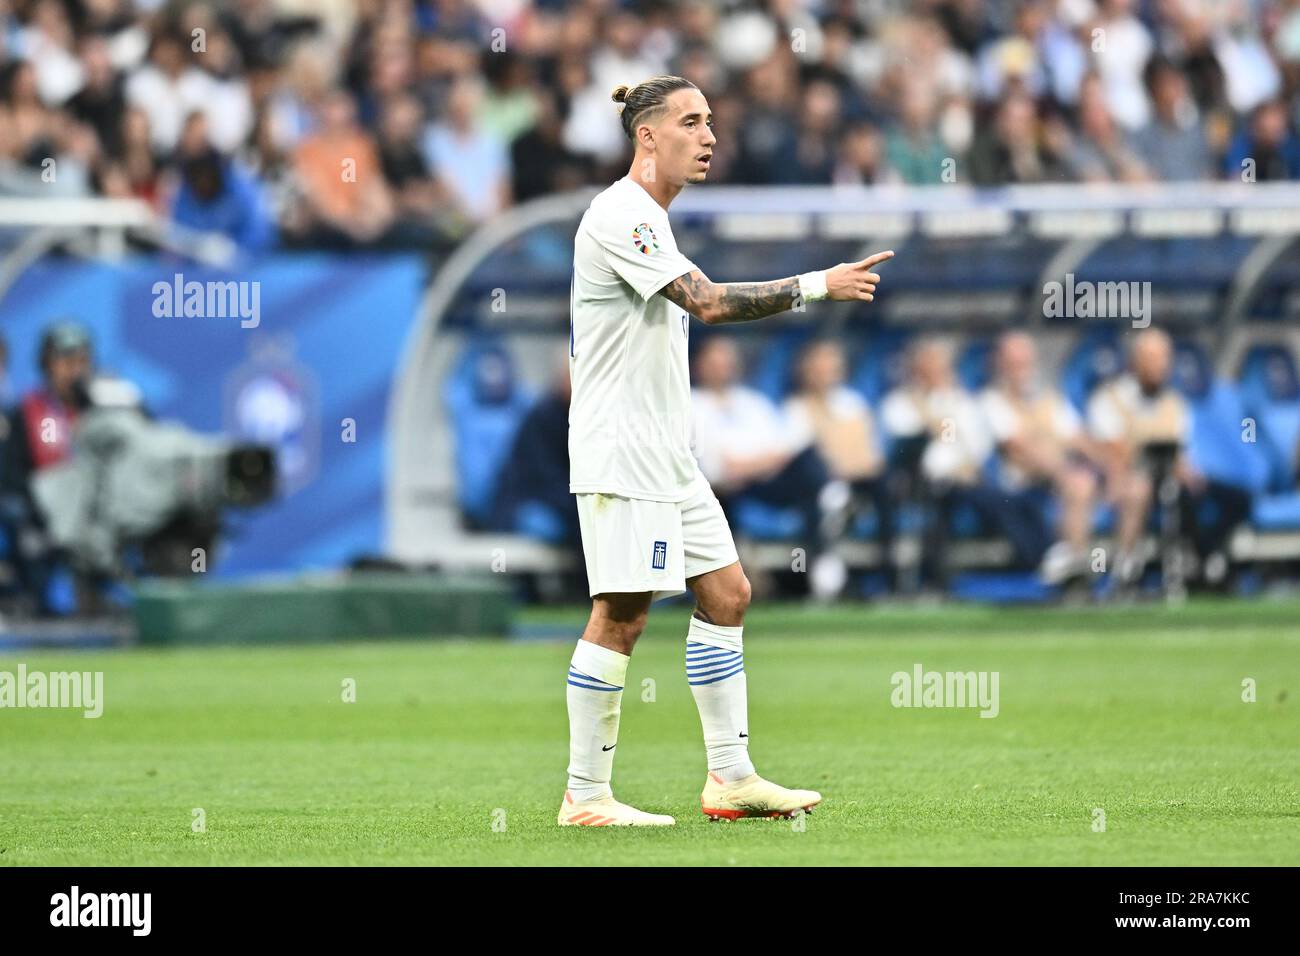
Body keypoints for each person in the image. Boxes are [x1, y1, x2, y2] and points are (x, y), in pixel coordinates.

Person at [562, 74, 892, 826]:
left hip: (668, 453)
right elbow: (707, 303)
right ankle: (585, 796)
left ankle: (731, 779)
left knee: (728, 594)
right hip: (624, 450)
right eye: (691, 121)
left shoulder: (653, 218)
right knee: (622, 613)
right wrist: (818, 284)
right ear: (647, 136)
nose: (709, 135)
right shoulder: (619, 213)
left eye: (711, 120)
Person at [979, 332, 1104, 583]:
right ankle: (1072, 565)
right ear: (1000, 364)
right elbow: (1018, 449)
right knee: (1077, 483)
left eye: (1025, 362)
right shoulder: (990, 401)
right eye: (1014, 363)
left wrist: (1113, 470)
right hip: (1015, 488)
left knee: (1094, 483)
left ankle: (1089, 566)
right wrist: (1062, 468)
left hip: (1057, 479)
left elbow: (1078, 438)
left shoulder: (1049, 399)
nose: (1021, 370)